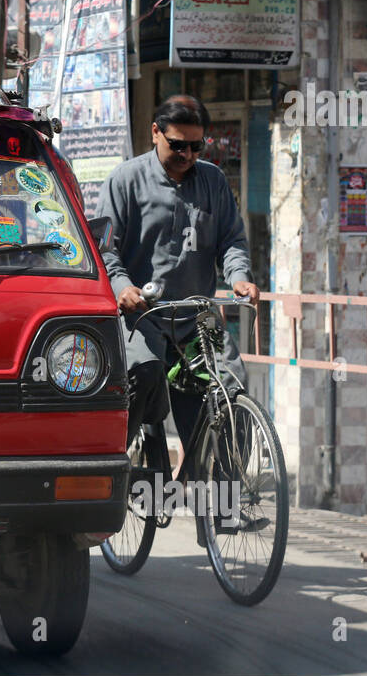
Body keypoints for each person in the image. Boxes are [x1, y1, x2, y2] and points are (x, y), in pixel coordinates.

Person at [97, 95, 260, 467]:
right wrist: (122, 287)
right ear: (156, 133)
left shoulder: (213, 181)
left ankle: (224, 501)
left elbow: (232, 240)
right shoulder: (126, 180)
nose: (187, 154)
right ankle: (110, 469)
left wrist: (239, 277)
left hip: (195, 318)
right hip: (143, 316)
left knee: (229, 386)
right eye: (178, 145)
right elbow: (105, 249)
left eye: (196, 146)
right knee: (145, 372)